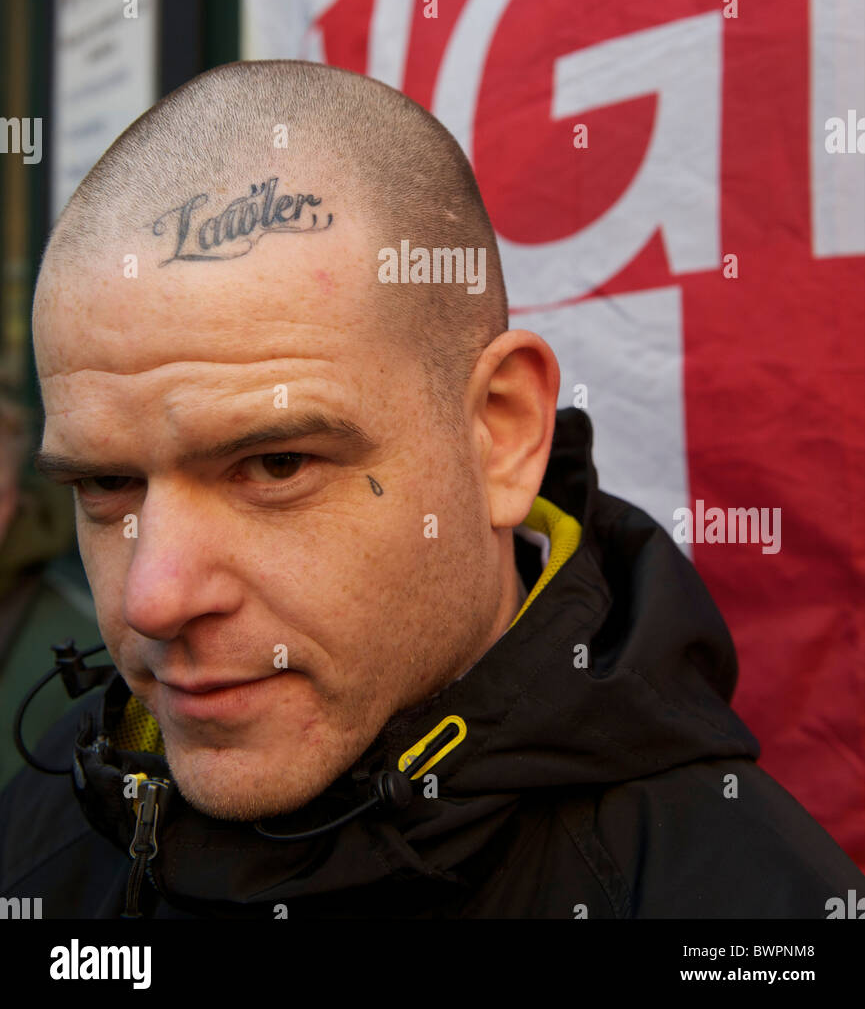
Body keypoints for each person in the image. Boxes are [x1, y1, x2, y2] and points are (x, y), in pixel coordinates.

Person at [0, 60, 860, 919]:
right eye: (108, 484)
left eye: (275, 466)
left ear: (501, 433)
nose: (154, 599)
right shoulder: (62, 814)